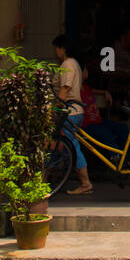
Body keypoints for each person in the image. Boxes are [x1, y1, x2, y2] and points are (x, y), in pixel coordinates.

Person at [52, 35, 92, 196]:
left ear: (63, 49)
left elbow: (65, 88)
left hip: (70, 111)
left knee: (72, 145)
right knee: (65, 144)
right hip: (75, 111)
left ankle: (85, 182)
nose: (55, 52)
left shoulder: (68, 64)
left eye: (57, 48)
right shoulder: (74, 63)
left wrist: (56, 109)